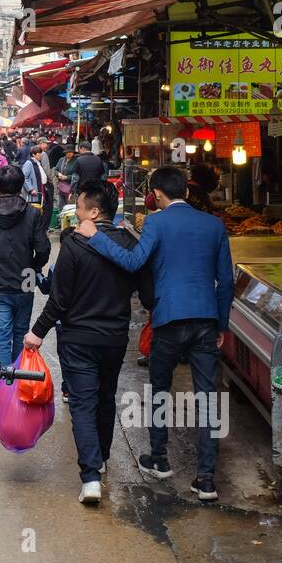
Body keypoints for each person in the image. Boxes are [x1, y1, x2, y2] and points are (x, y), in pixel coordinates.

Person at [86, 164, 233, 503]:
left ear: (160, 195)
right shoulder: (214, 225)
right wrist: (221, 325)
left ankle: (159, 457)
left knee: (160, 389)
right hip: (206, 320)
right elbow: (225, 282)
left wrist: (97, 238)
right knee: (207, 397)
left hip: (168, 318)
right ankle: (206, 479)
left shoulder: (156, 222)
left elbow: (133, 261)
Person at [24, 180, 155, 505]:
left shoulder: (74, 244)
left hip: (78, 338)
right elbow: (149, 295)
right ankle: (101, 458)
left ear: (94, 212)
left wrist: (37, 333)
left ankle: (91, 478)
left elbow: (59, 298)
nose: (76, 213)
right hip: (114, 338)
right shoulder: (129, 244)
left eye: (80, 207)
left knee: (83, 403)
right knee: (106, 397)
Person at [0, 165, 50, 367]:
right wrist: (35, 267)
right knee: (22, 332)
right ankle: (20, 385)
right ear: (21, 186)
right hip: (26, 279)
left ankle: (4, 390)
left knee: (2, 338)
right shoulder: (32, 214)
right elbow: (42, 249)